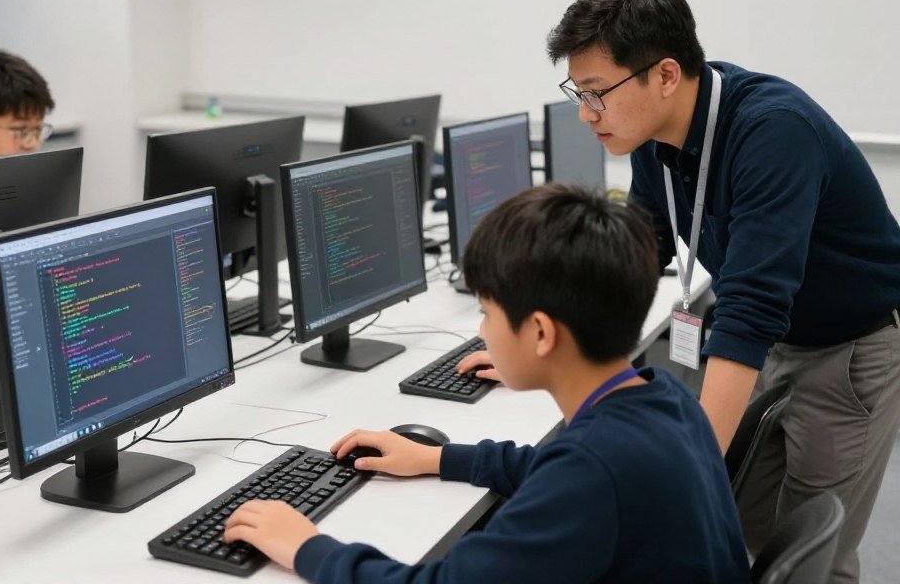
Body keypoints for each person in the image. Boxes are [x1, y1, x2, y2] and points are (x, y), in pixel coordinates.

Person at [449, 0, 900, 584]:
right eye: (577, 92)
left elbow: (750, 303)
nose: (586, 114)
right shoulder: (651, 133)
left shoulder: (772, 129)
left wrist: (684, 469)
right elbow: (635, 253)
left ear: (664, 75)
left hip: (848, 347)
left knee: (816, 561)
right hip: (774, 338)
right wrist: (541, 350)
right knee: (736, 518)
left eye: (596, 92)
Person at [223, 184, 750, 584]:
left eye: (486, 313)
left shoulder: (590, 472)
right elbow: (556, 467)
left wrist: (308, 547)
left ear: (541, 333)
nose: (480, 332)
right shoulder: (665, 397)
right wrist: (436, 457)